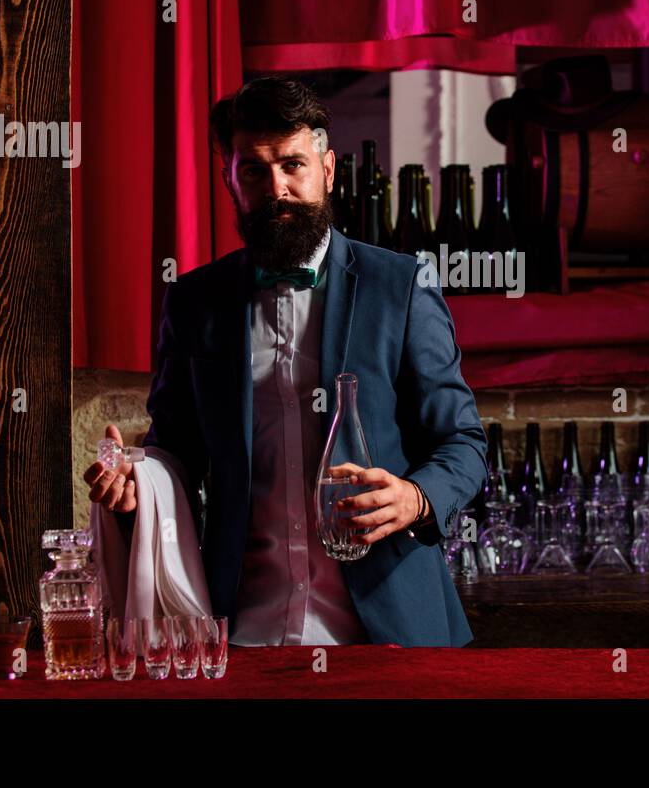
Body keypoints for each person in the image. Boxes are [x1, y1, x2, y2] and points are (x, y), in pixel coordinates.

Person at [82, 77, 488, 646]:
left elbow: (463, 444)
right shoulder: (195, 301)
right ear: (230, 182)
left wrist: (416, 498)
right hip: (241, 632)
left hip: (388, 634)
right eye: (254, 170)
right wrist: (137, 478)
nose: (277, 189)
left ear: (327, 168)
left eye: (293, 165)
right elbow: (174, 451)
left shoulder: (400, 287)